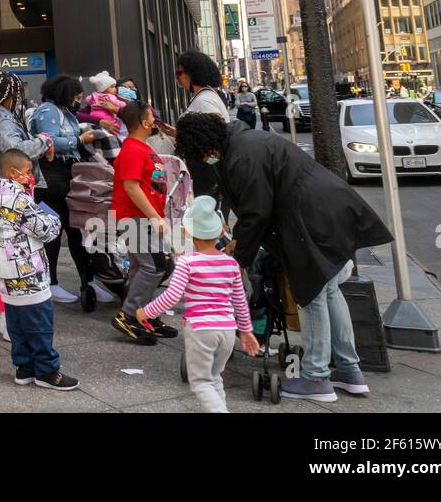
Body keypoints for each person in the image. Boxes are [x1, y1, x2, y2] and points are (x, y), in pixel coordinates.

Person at [173, 113, 393, 402]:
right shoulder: (244, 142)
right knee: (329, 291)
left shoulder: (242, 156)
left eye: (201, 155)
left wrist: (236, 256)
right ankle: (349, 370)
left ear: (206, 145)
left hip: (310, 220)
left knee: (312, 295)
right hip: (328, 212)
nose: (205, 161)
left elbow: (256, 212)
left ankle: (316, 378)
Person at [137, 195, 261, 412]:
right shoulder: (231, 263)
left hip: (201, 329)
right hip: (227, 330)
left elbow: (172, 296)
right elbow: (240, 299)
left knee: (201, 382)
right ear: (220, 232)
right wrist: (246, 331)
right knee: (215, 378)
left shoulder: (187, 262)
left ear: (188, 233)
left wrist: (146, 312)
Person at [0, 148, 79, 391]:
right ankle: (47, 371)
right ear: (13, 173)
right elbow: (47, 229)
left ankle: (24, 368)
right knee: (40, 324)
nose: (30, 176)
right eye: (26, 172)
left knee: (18, 325)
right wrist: (54, 219)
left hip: (6, 274)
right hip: (27, 273)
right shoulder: (17, 200)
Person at [0, 72, 55, 340]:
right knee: (7, 254)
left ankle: (11, 316)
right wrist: (45, 140)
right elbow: (18, 152)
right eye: (18, 94)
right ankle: (9, 318)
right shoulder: (0, 119)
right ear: (10, 95)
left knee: (7, 253)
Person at [29, 75, 118, 305]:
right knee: (53, 233)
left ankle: (87, 282)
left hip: (68, 174)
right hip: (51, 177)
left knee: (78, 231)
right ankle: (52, 284)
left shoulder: (64, 111)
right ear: (65, 94)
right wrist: (79, 140)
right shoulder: (48, 111)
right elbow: (49, 141)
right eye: (76, 96)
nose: (78, 101)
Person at [109, 100, 177, 346]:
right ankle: (129, 315)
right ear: (144, 122)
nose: (155, 117)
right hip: (134, 219)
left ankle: (145, 315)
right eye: (152, 115)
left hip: (143, 219)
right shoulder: (132, 150)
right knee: (154, 266)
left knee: (145, 267)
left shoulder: (142, 147)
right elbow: (130, 186)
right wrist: (154, 217)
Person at [158, 51, 229, 199]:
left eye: (179, 72)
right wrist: (178, 133)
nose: (178, 77)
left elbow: (217, 140)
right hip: (208, 172)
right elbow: (204, 135)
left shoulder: (204, 100)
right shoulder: (205, 96)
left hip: (207, 176)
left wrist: (209, 165)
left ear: (191, 73)